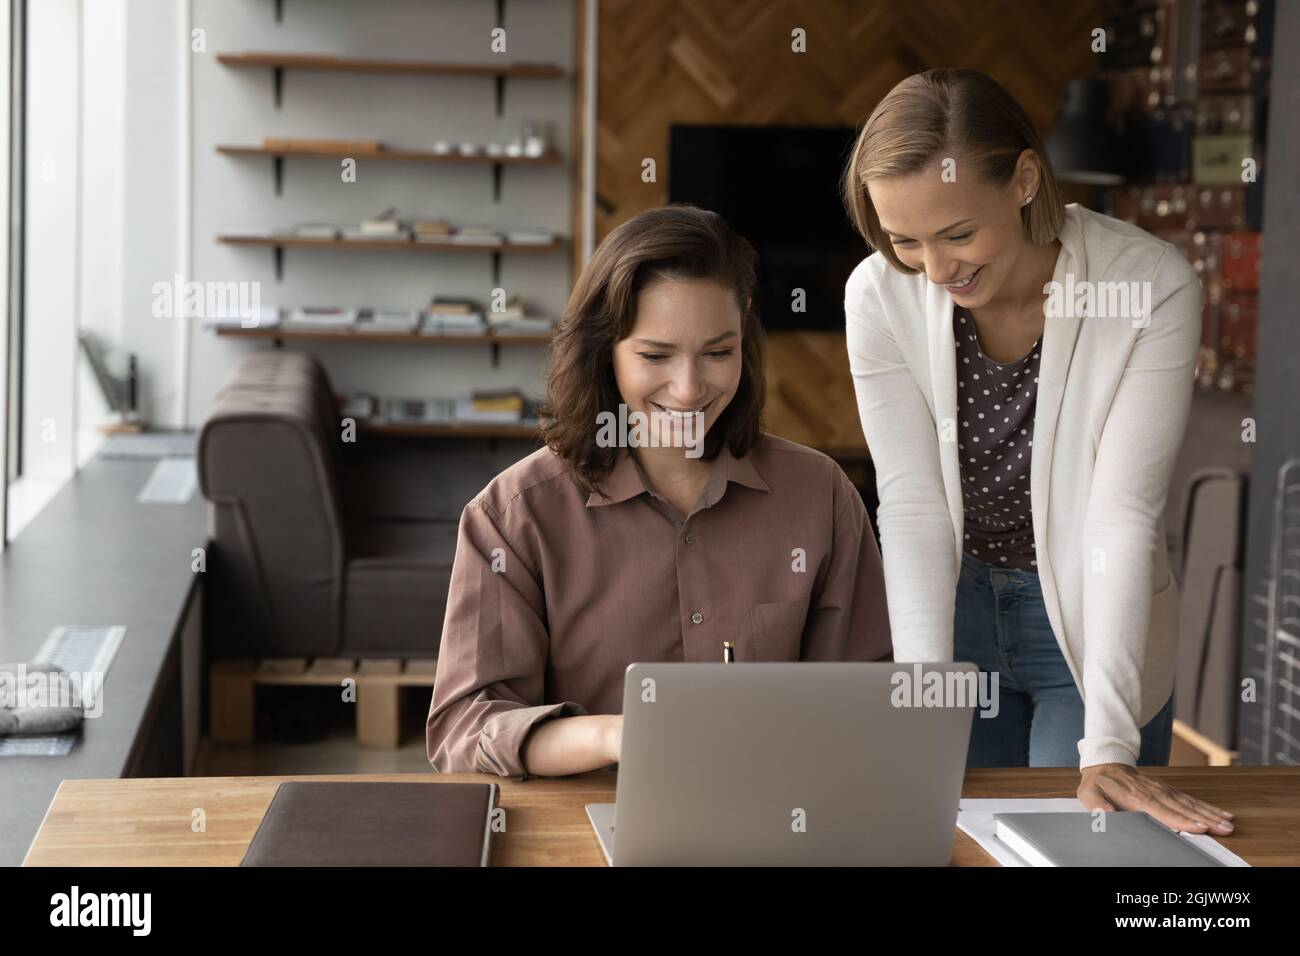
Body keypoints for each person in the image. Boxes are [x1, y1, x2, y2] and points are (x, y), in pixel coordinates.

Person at [841, 67, 1233, 836]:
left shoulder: (1149, 285)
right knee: (955, 839)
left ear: (1024, 179)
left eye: (958, 234)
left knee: (1082, 838)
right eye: (904, 241)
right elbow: (914, 507)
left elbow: (1119, 517)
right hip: (957, 611)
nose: (937, 270)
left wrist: (1111, 742)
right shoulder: (878, 294)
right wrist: (924, 695)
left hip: (1091, 620)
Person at [426, 204, 891, 779]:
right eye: (655, 355)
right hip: (586, 825)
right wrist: (615, 734)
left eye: (718, 353)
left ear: (744, 334)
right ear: (605, 350)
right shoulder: (514, 515)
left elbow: (869, 699)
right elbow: (465, 729)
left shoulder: (821, 495)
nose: (690, 387)